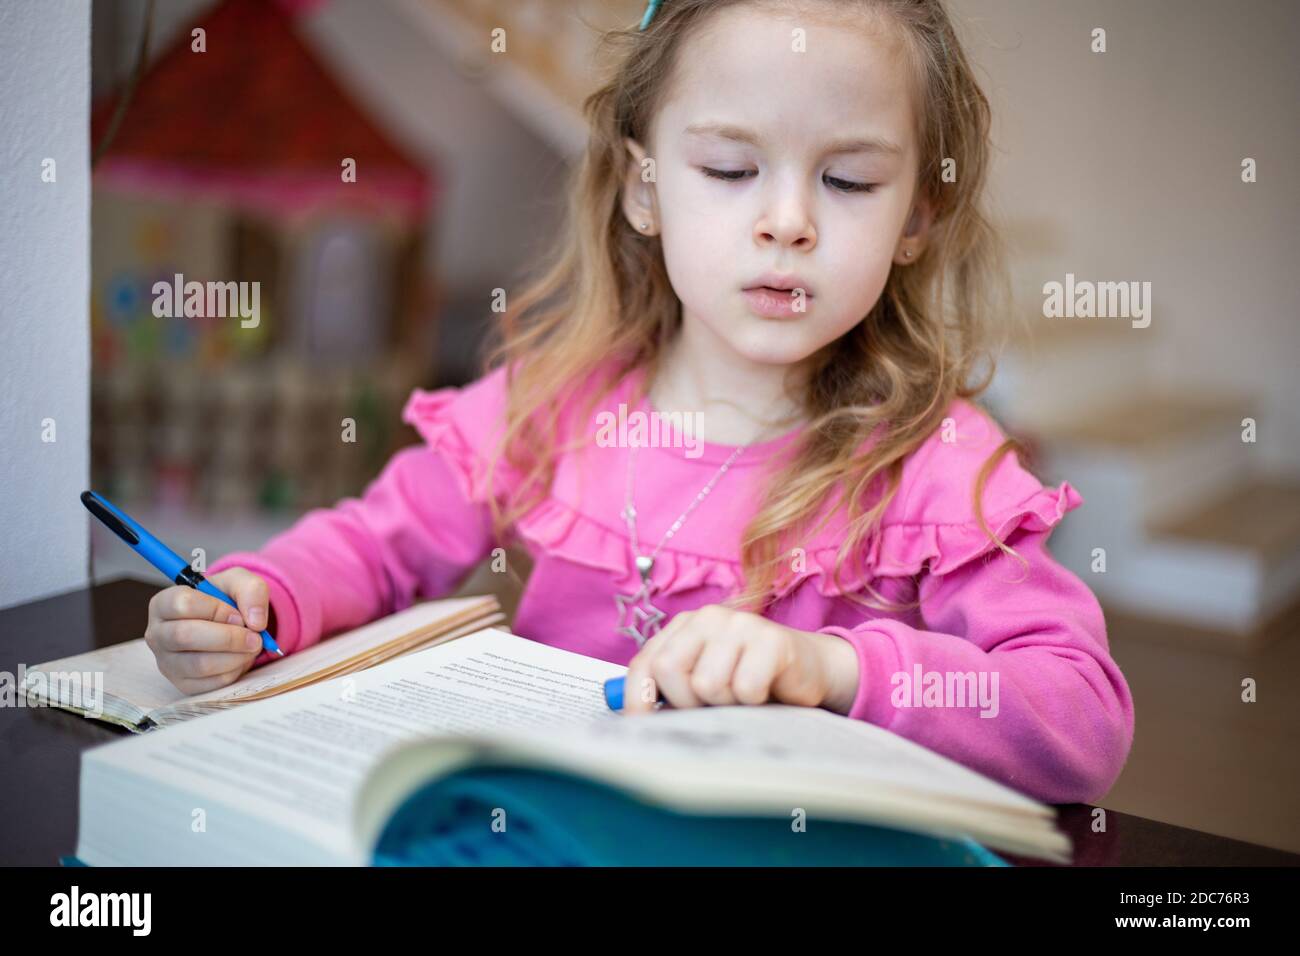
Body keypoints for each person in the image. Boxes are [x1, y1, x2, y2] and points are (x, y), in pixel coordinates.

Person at [144, 0, 1133, 804]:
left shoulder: (938, 465)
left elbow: (1080, 716)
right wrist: (259, 594)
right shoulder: (551, 405)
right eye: (731, 169)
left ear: (915, 214)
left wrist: (831, 668)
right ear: (644, 189)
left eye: (846, 179)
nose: (785, 221)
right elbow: (374, 541)